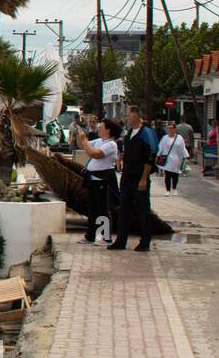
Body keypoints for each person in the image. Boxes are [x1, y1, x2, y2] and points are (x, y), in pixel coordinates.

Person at [110, 106, 156, 252]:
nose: (127, 118)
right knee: (124, 209)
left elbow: (150, 157)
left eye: (128, 115)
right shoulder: (129, 133)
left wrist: (143, 179)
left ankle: (145, 242)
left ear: (136, 115)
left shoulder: (146, 133)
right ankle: (121, 240)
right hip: (126, 177)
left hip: (139, 178)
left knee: (143, 210)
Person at [77, 117, 120, 244]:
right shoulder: (99, 141)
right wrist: (80, 137)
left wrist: (84, 140)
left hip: (103, 180)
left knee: (103, 209)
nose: (98, 129)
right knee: (93, 208)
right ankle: (90, 236)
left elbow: (94, 153)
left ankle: (106, 237)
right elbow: (84, 147)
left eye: (101, 127)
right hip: (93, 180)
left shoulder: (111, 144)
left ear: (108, 130)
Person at [157, 121, 189, 194]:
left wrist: (186, 157)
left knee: (175, 175)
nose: (170, 130)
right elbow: (160, 147)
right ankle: (167, 190)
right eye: (169, 128)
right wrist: (158, 155)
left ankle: (174, 188)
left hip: (177, 159)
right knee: (167, 175)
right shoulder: (164, 138)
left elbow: (183, 147)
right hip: (167, 159)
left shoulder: (179, 138)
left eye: (171, 128)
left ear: (175, 129)